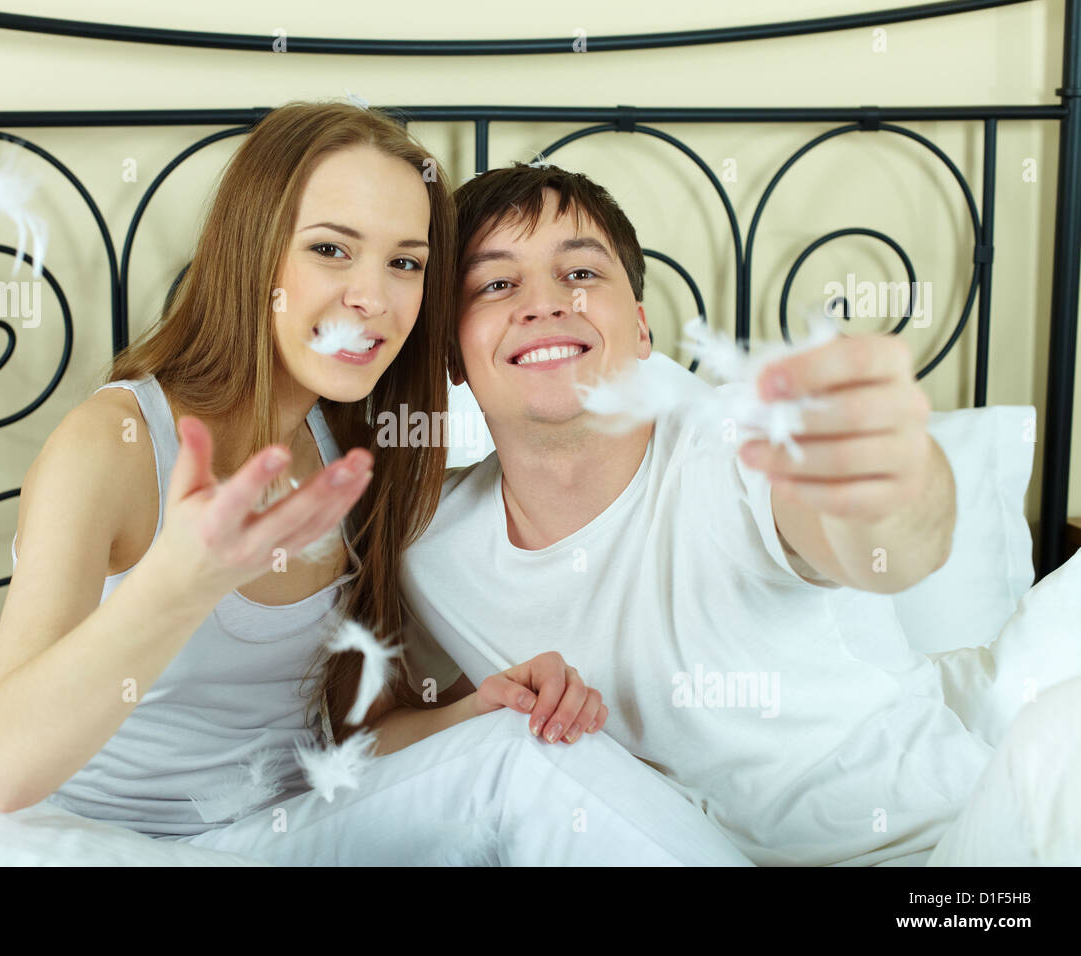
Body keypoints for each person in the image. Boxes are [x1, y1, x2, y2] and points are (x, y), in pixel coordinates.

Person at [0, 101, 751, 866]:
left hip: (304, 823)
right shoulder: (115, 444)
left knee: (531, 746)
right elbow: (3, 774)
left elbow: (356, 734)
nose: (373, 298)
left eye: (406, 263)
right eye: (332, 250)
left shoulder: (353, 448)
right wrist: (177, 583)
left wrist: (482, 709)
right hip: (126, 843)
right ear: (256, 251)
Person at [396, 160, 1081, 866]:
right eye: (496, 283)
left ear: (639, 329)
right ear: (451, 350)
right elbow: (376, 735)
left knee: (1064, 736)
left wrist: (885, 476)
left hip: (942, 860)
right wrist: (476, 713)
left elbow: (887, 541)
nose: (543, 302)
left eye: (581, 274)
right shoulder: (428, 546)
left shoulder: (737, 442)